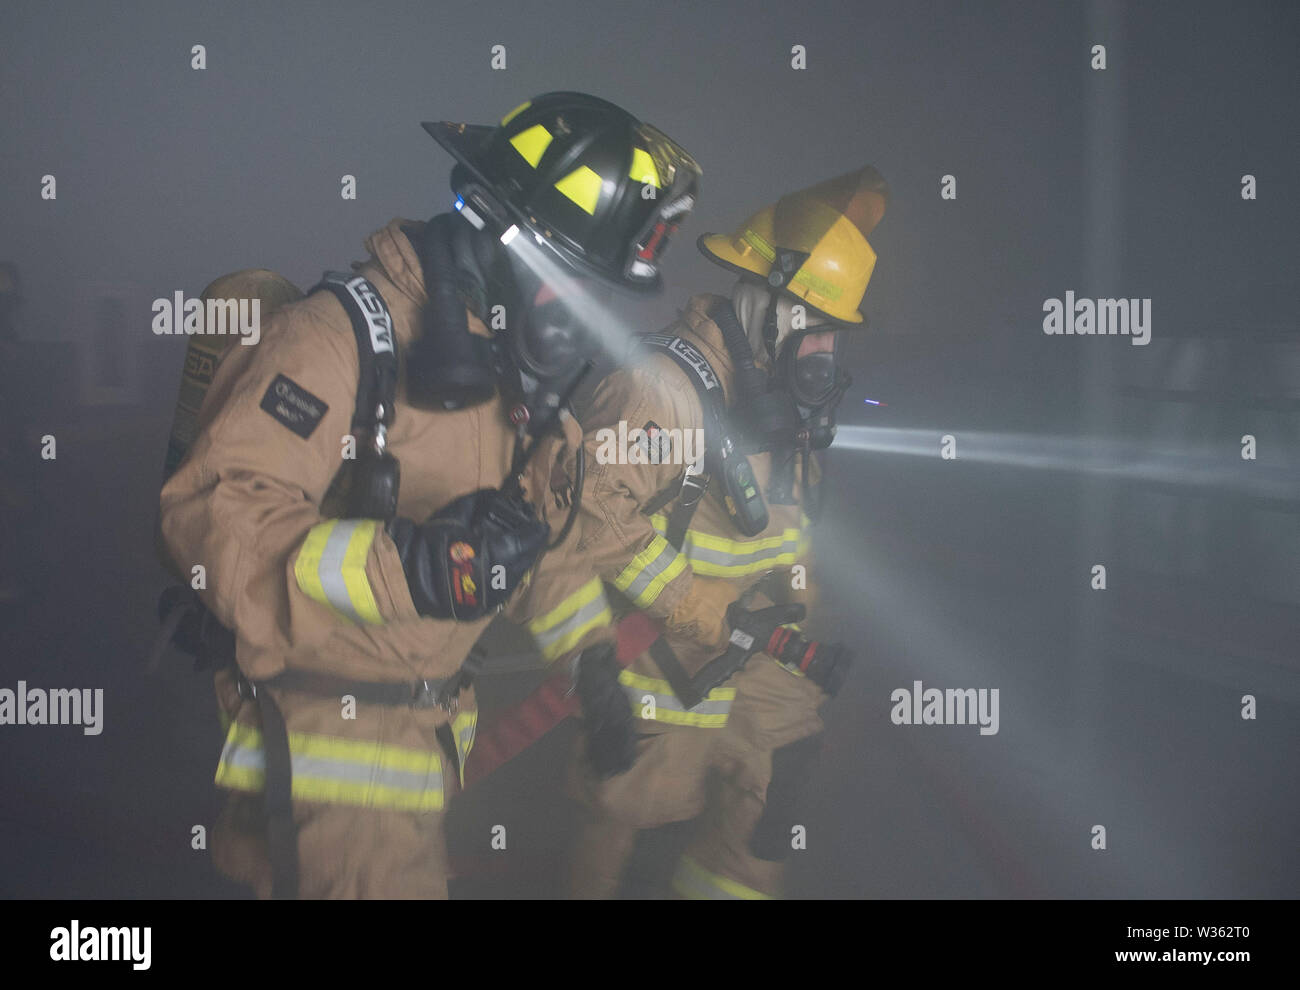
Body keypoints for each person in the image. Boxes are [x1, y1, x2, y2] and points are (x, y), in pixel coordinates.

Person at [158, 92, 700, 898]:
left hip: (415, 750)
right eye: (572, 288)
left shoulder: (515, 384)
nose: (586, 324)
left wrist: (593, 667)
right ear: (502, 243)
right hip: (319, 754)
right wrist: (411, 569)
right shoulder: (340, 338)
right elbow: (215, 516)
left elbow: (530, 549)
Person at [563, 166, 888, 898]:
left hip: (765, 649)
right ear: (764, 302)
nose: (821, 361)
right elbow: (592, 510)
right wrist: (693, 605)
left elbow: (790, 530)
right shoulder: (661, 390)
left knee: (773, 802)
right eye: (813, 333)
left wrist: (802, 618)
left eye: (832, 341)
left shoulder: (776, 401)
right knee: (635, 826)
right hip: (661, 654)